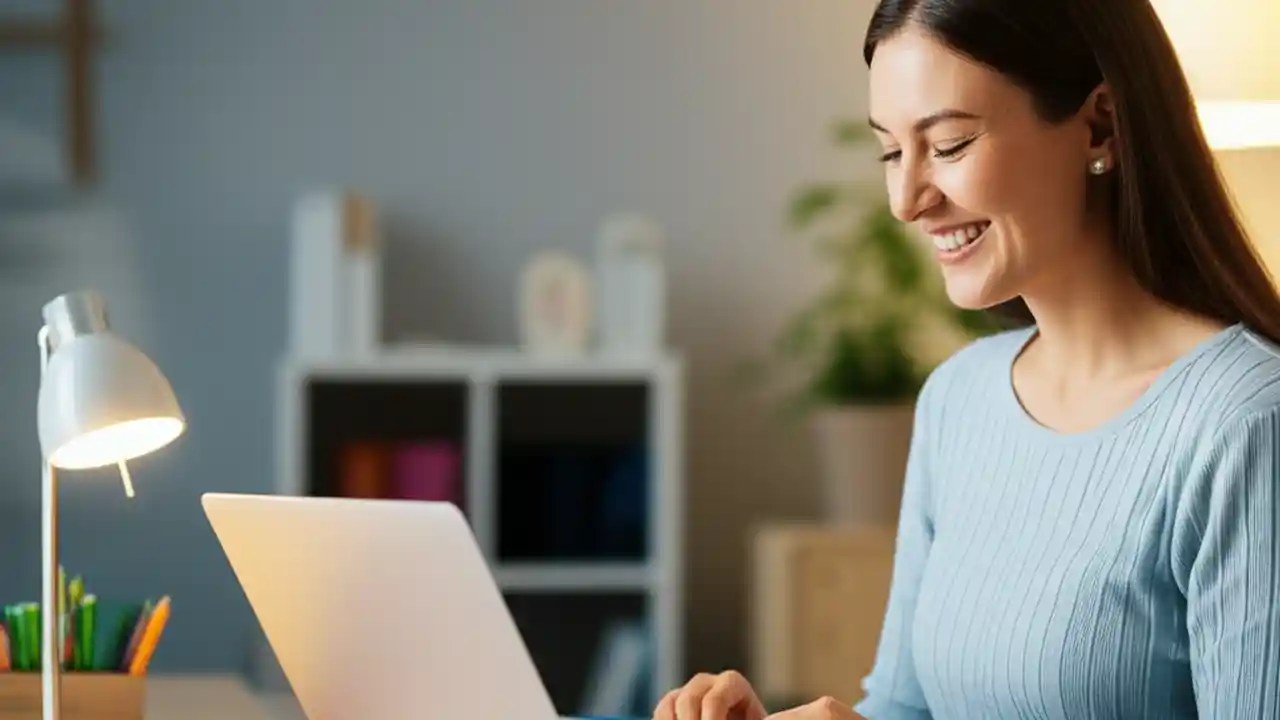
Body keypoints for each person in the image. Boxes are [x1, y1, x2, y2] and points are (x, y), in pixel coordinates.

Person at [654, 0, 1280, 718]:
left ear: (1100, 123)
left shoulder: (1246, 423)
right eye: (891, 152)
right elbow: (905, 707)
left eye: (948, 145)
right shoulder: (960, 399)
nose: (906, 199)